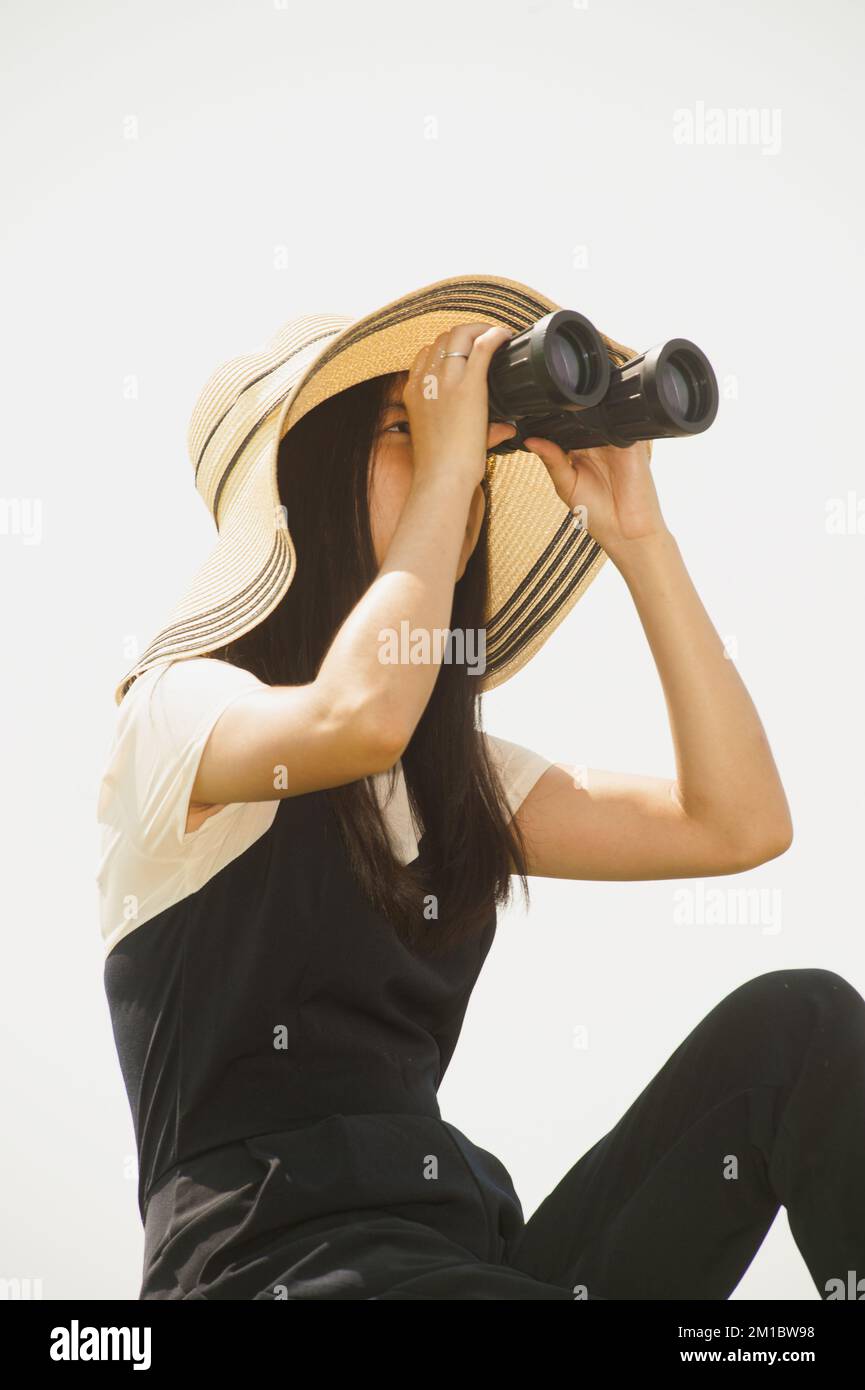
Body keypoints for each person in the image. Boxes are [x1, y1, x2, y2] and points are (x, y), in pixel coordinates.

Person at [97, 275, 865, 1300]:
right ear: (310, 486)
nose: (456, 472)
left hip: (468, 1265)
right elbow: (356, 714)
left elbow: (738, 823)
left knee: (801, 1028)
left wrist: (639, 540)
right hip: (273, 1268)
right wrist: (453, 463)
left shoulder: (453, 783)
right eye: (404, 432)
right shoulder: (178, 713)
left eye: (463, 446)